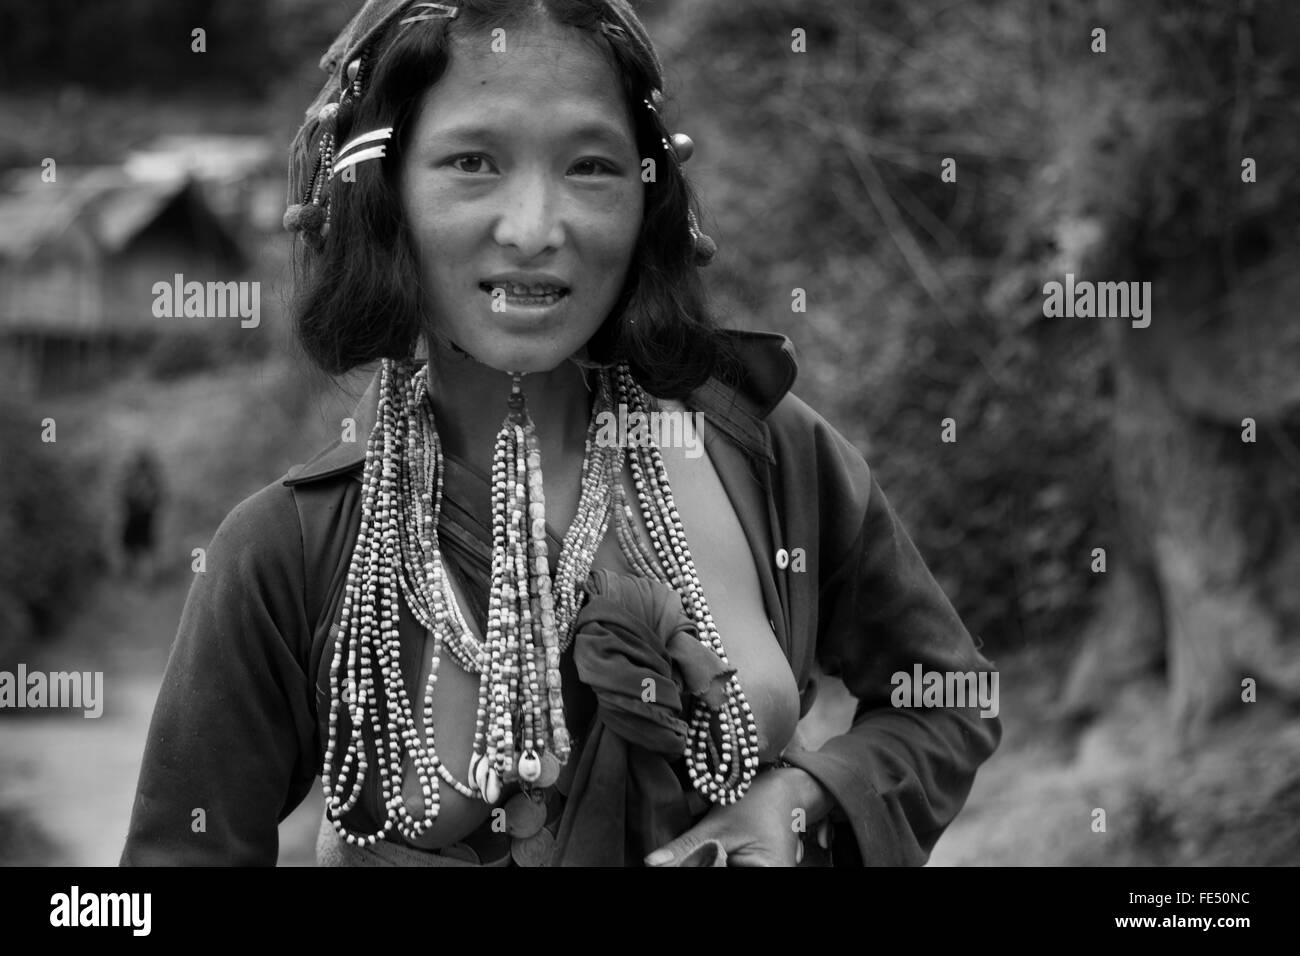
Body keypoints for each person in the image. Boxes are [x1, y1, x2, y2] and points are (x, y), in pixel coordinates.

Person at [120, 0, 1001, 867]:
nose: (538, 230)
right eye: (472, 161)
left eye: (592, 167)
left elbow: (947, 704)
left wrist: (803, 801)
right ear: (380, 196)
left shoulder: (766, 451)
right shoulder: (289, 551)